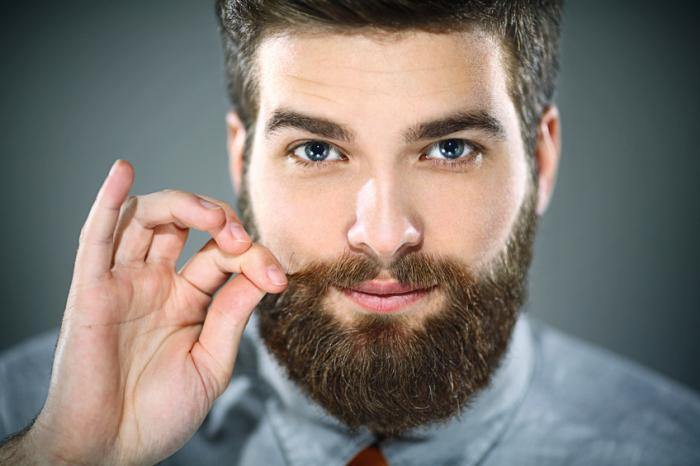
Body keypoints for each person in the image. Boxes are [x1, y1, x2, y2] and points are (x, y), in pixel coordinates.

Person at [1, 0, 699, 464]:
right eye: (316, 151)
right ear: (242, 163)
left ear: (540, 163)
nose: (385, 234)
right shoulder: (27, 420)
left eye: (450, 149)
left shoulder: (677, 448)